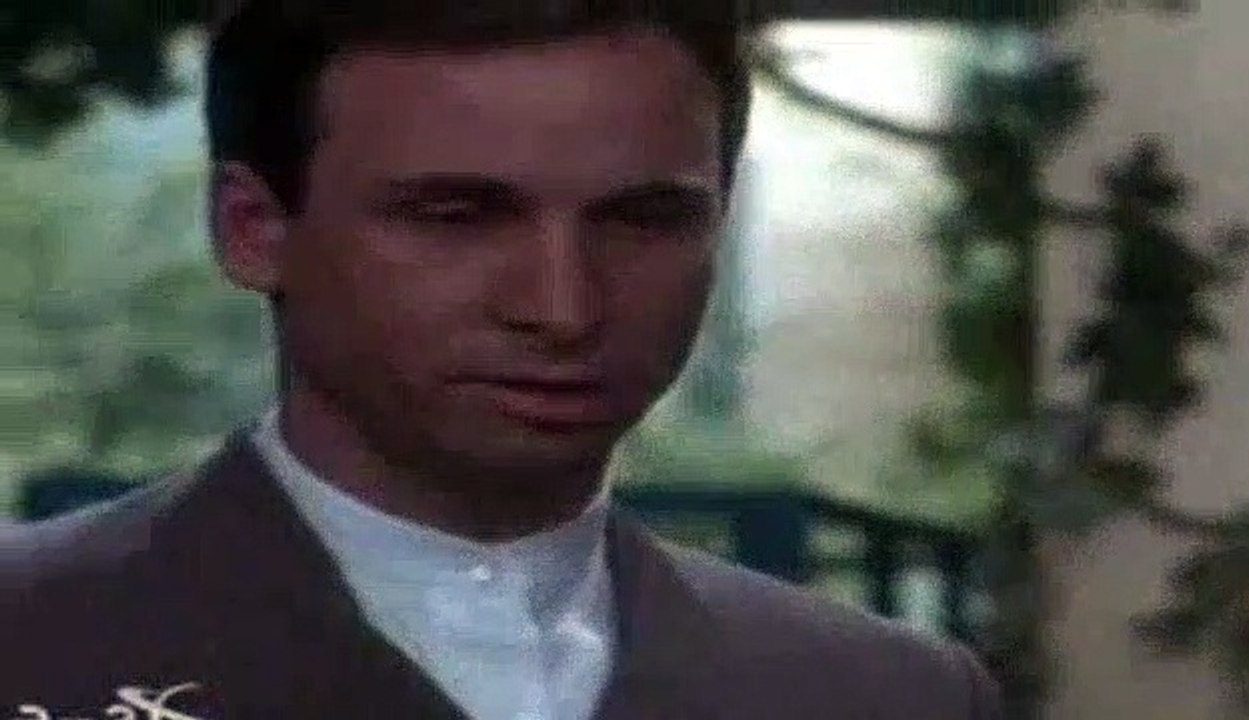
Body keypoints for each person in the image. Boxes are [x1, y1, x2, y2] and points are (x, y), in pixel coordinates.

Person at [1, 0, 1001, 717]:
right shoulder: (30, 639)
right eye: (456, 216)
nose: (562, 308)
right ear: (253, 228)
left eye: (643, 220)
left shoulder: (880, 692)